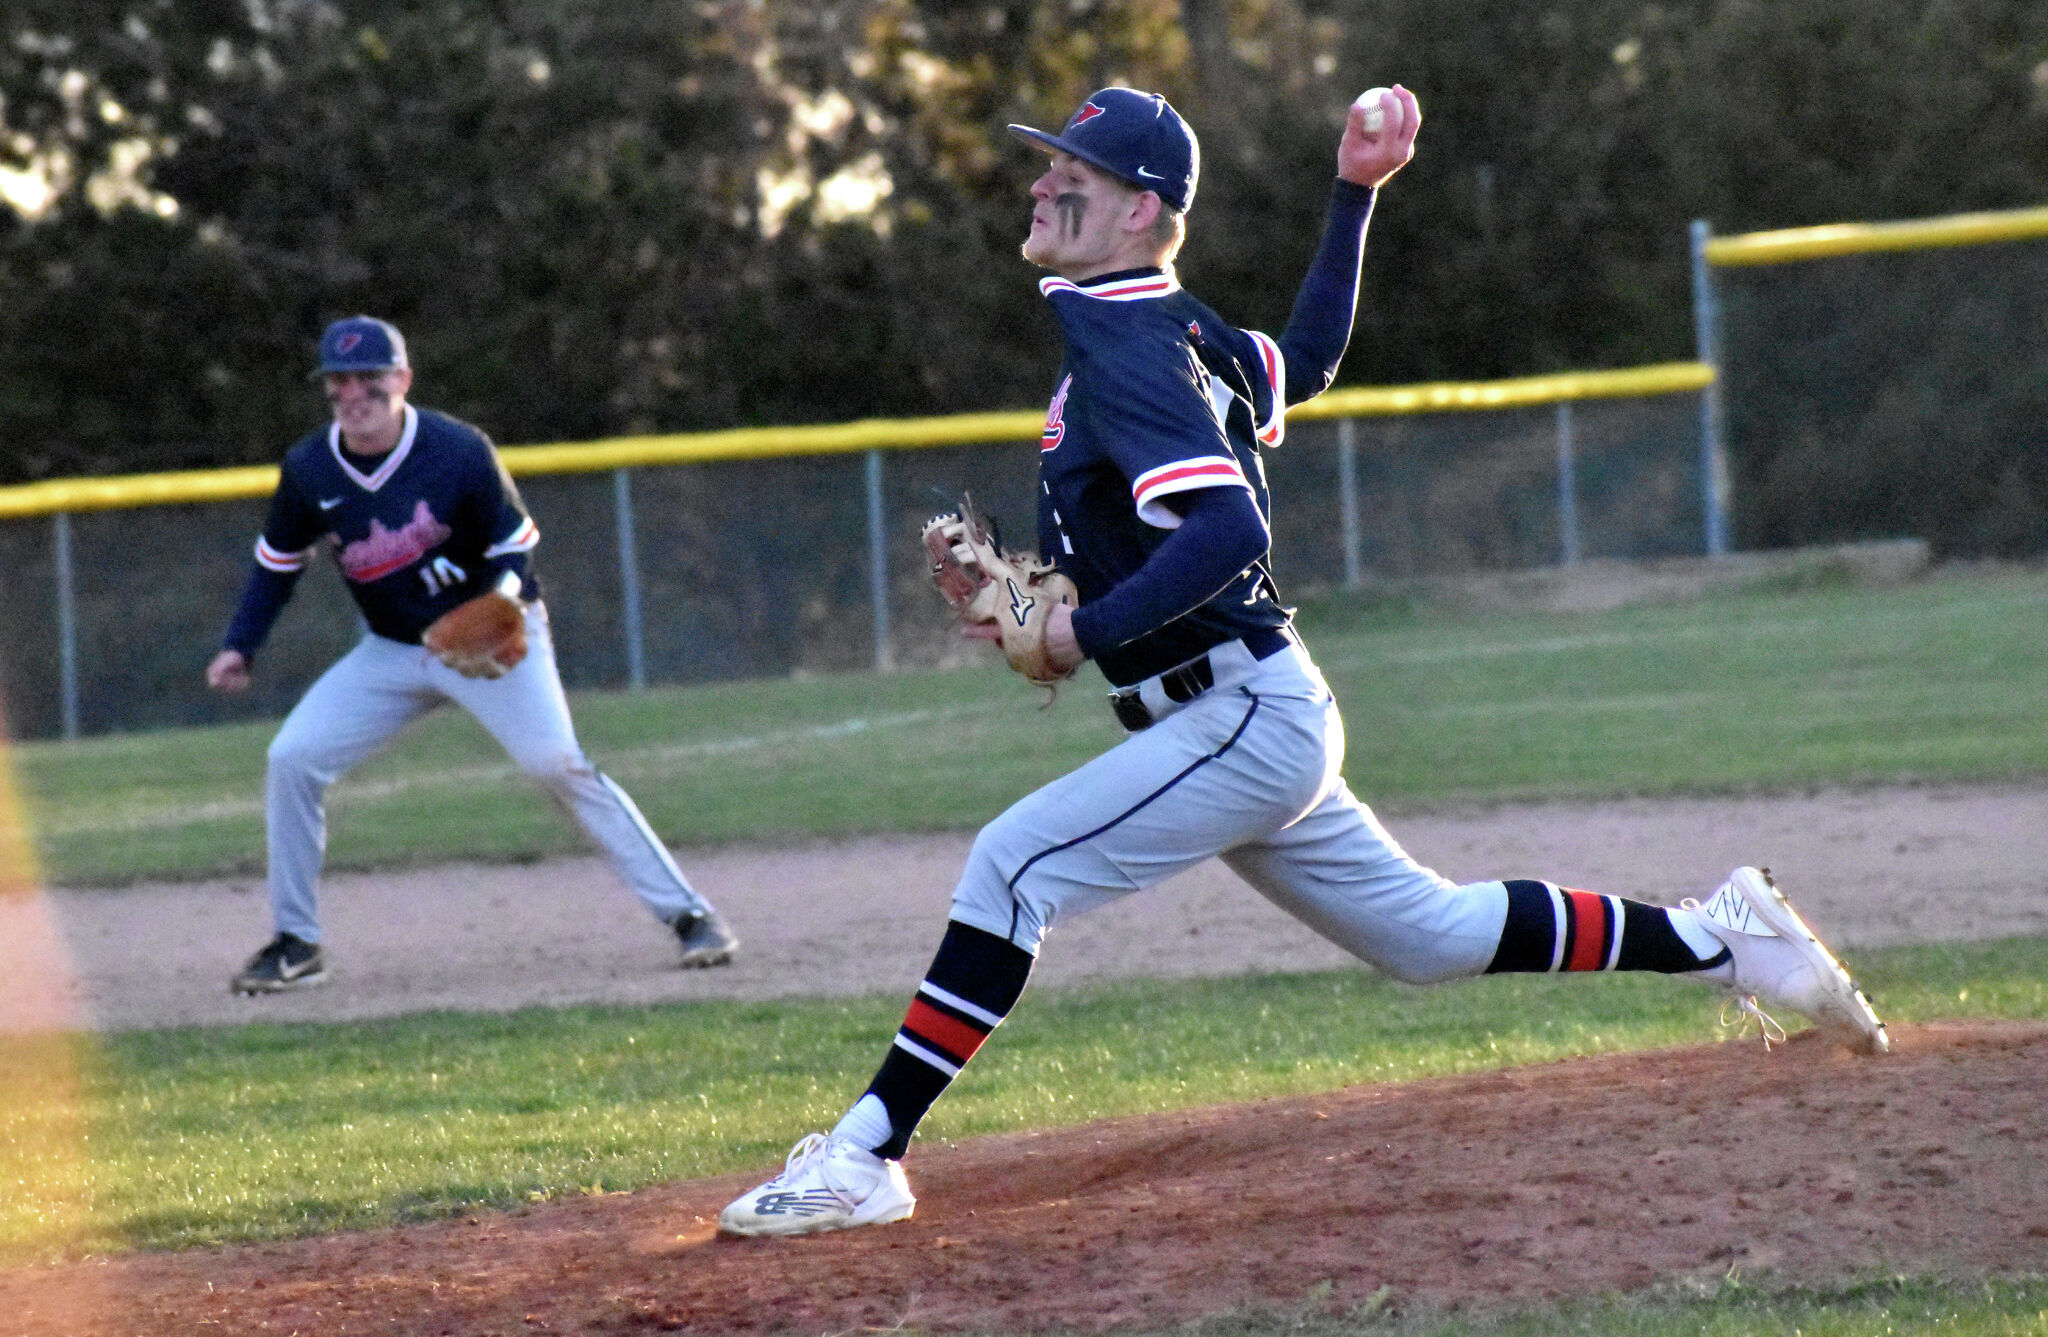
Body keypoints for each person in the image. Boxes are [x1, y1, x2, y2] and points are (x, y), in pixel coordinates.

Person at [717, 85, 1886, 1238]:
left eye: (1069, 175)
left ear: (1140, 210)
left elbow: (1229, 531)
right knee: (1424, 937)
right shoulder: (1175, 330)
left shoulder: (1126, 340)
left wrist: (1086, 629)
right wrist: (1352, 193)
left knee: (1011, 867)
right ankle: (1723, 938)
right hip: (1247, 711)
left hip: (1236, 713)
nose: (1039, 184)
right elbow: (1310, 357)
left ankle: (867, 1153)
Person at [206, 315, 737, 993]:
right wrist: (239, 646)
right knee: (292, 758)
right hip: (395, 650)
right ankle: (296, 942)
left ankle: (692, 916)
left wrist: (504, 600)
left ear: (401, 379)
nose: (352, 392)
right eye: (338, 380)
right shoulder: (311, 468)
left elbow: (513, 543)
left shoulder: (457, 449)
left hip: (496, 635)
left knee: (556, 762)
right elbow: (277, 565)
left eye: (367, 377)